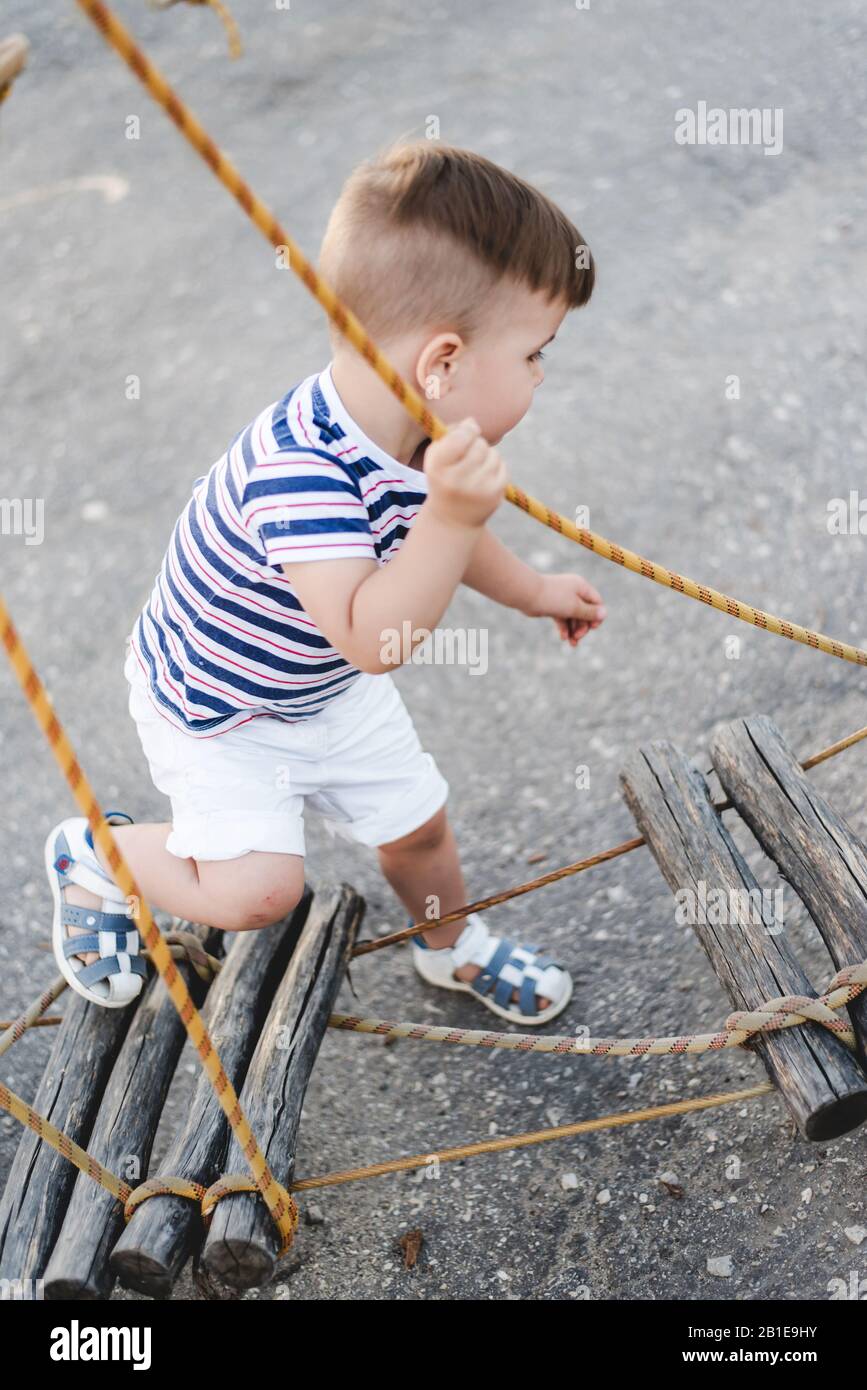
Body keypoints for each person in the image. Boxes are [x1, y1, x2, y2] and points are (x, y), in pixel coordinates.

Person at [45, 141, 605, 1022]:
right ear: (443, 363)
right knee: (258, 894)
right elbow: (371, 637)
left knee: (419, 827)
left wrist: (532, 588)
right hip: (224, 709)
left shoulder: (416, 427)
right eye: (536, 353)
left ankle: (449, 945)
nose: (541, 375)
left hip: (320, 687)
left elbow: (435, 534)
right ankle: (97, 856)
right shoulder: (298, 473)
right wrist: (452, 518)